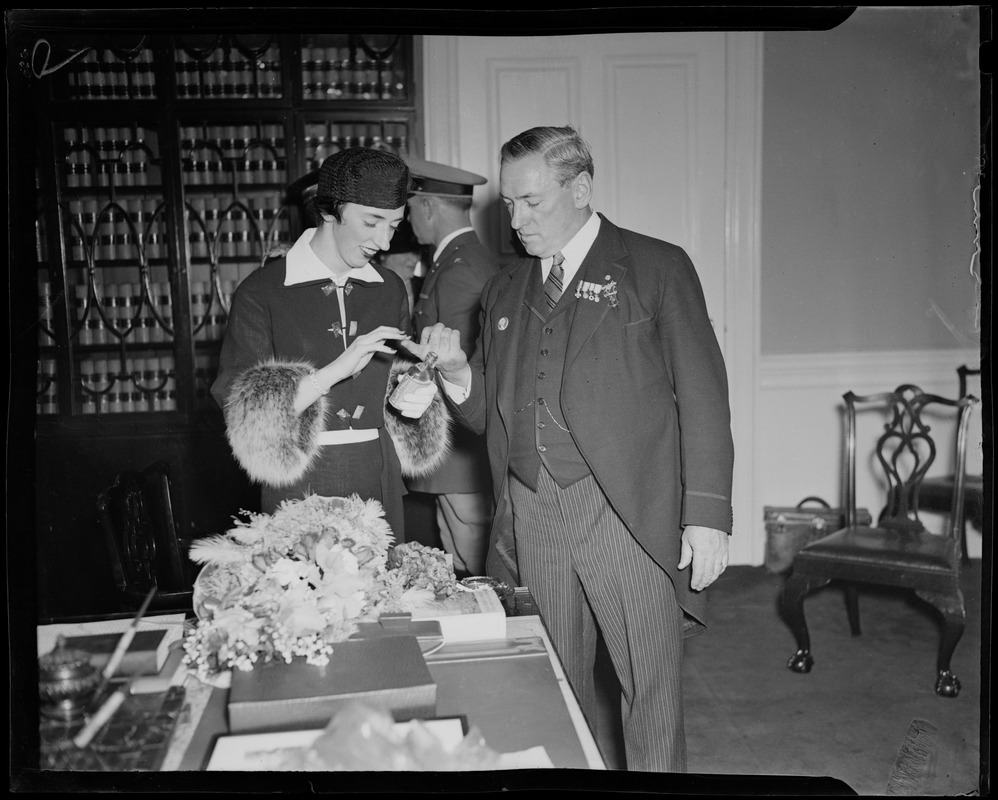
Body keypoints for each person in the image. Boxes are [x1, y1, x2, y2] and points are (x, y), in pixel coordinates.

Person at [405, 126, 734, 772]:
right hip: (534, 514)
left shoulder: (656, 267)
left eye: (532, 202)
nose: (516, 220)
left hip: (625, 515)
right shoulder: (504, 289)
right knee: (552, 688)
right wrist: (451, 373)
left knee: (651, 697)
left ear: (580, 189)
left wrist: (707, 515)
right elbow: (487, 410)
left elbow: (704, 394)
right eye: (509, 204)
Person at [210, 147, 451, 539]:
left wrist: (420, 379)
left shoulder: (389, 290)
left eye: (393, 225)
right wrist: (335, 372)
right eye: (371, 222)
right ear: (329, 210)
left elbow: (396, 402)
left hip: (378, 473)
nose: (384, 243)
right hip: (300, 480)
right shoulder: (262, 291)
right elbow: (244, 413)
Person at [403, 157, 500, 577]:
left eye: (410, 209)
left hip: (459, 451)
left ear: (427, 206)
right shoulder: (455, 260)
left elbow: (464, 369)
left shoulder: (462, 269)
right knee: (459, 558)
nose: (409, 220)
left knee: (475, 566)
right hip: (452, 453)